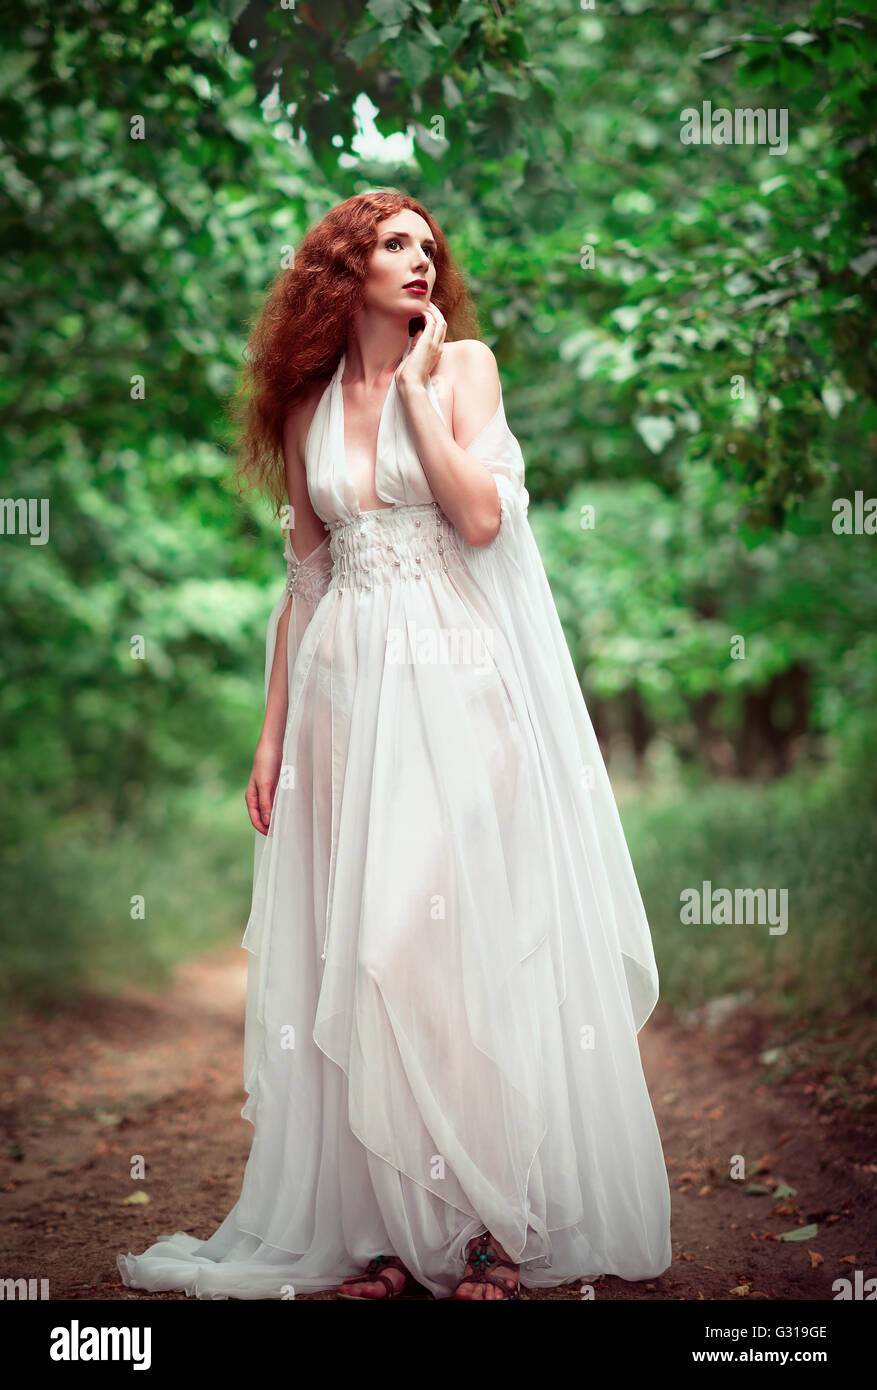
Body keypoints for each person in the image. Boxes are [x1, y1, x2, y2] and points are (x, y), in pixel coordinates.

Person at [117, 189, 671, 1301]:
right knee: (357, 957)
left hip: (458, 695)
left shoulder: (462, 371)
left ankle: (486, 1229)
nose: (420, 261)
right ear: (342, 270)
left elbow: (477, 519)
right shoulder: (303, 409)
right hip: (342, 704)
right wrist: (270, 739)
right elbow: (304, 581)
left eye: (428, 246)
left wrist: (418, 393)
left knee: (431, 952)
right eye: (392, 244)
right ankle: (379, 1235)